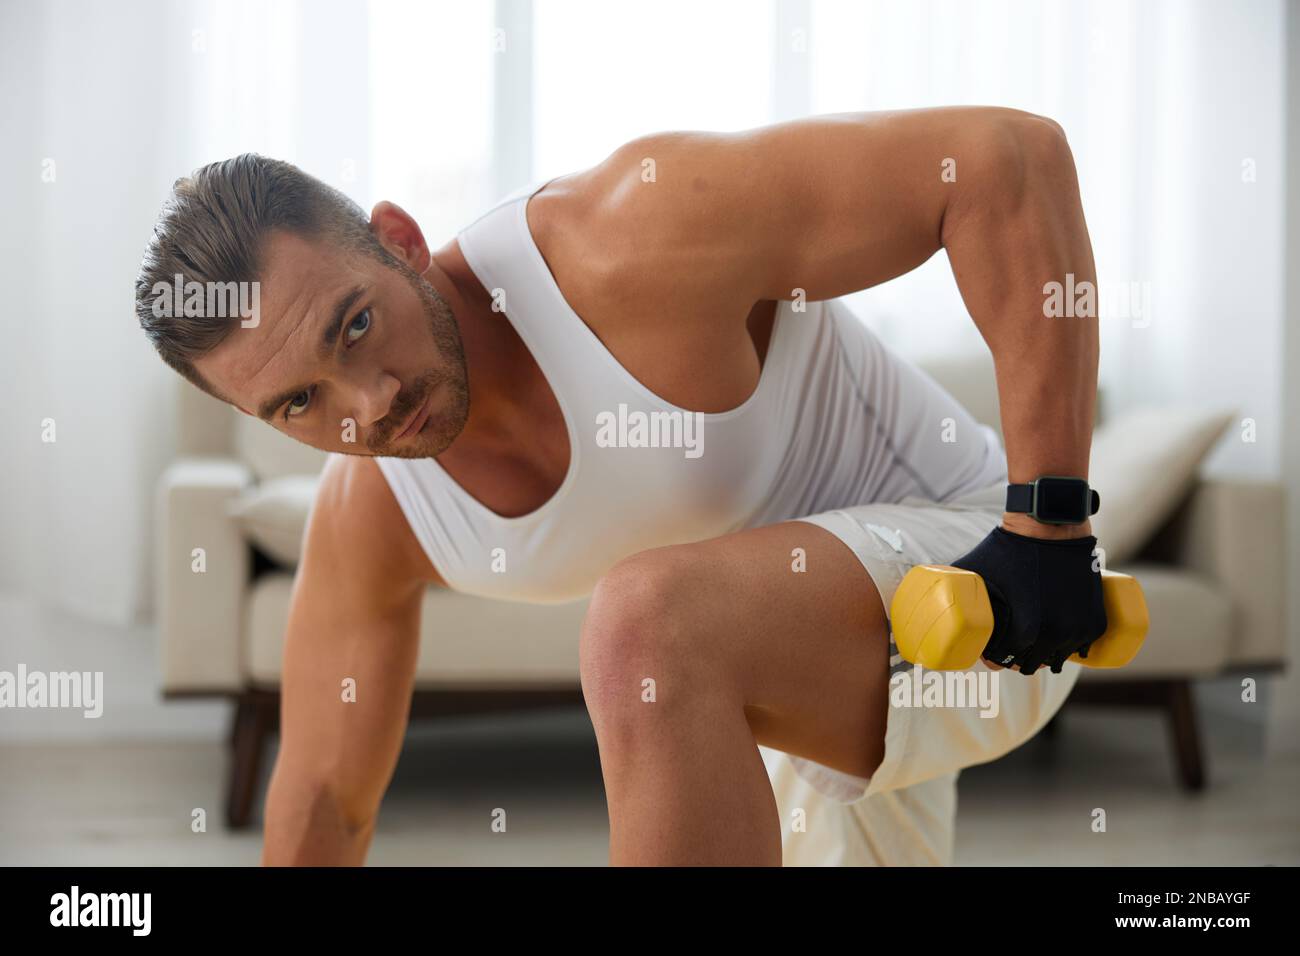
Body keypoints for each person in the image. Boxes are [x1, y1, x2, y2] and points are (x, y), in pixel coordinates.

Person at [136, 107, 1104, 865]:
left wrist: (1047, 522)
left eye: (353, 325)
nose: (372, 401)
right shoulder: (376, 517)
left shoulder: (631, 234)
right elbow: (323, 802)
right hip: (805, 691)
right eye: (300, 401)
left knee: (645, 617)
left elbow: (1003, 155)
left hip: (987, 587)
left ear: (399, 239)